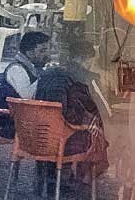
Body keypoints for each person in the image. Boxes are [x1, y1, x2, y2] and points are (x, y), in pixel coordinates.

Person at [35, 37, 109, 183]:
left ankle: (51, 176)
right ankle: (85, 175)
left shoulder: (46, 74)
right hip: (67, 141)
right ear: (88, 60)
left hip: (37, 137)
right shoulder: (89, 78)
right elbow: (104, 109)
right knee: (97, 128)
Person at [0, 31, 52, 138]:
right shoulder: (16, 69)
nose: (46, 55)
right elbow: (27, 97)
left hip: (29, 117)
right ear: (29, 52)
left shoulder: (33, 67)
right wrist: (45, 75)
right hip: (13, 122)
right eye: (42, 51)